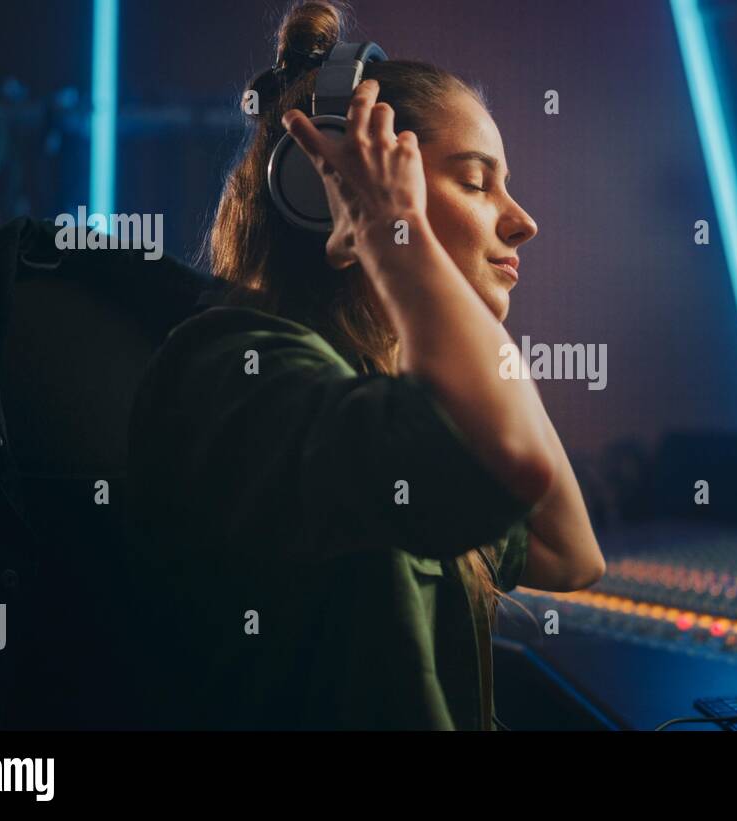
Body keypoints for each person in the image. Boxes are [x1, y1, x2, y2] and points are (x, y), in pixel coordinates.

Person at [123, 0, 604, 730]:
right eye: (476, 182)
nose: (522, 220)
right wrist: (394, 232)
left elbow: (571, 553)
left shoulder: (380, 395)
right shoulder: (235, 372)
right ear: (329, 194)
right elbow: (510, 458)